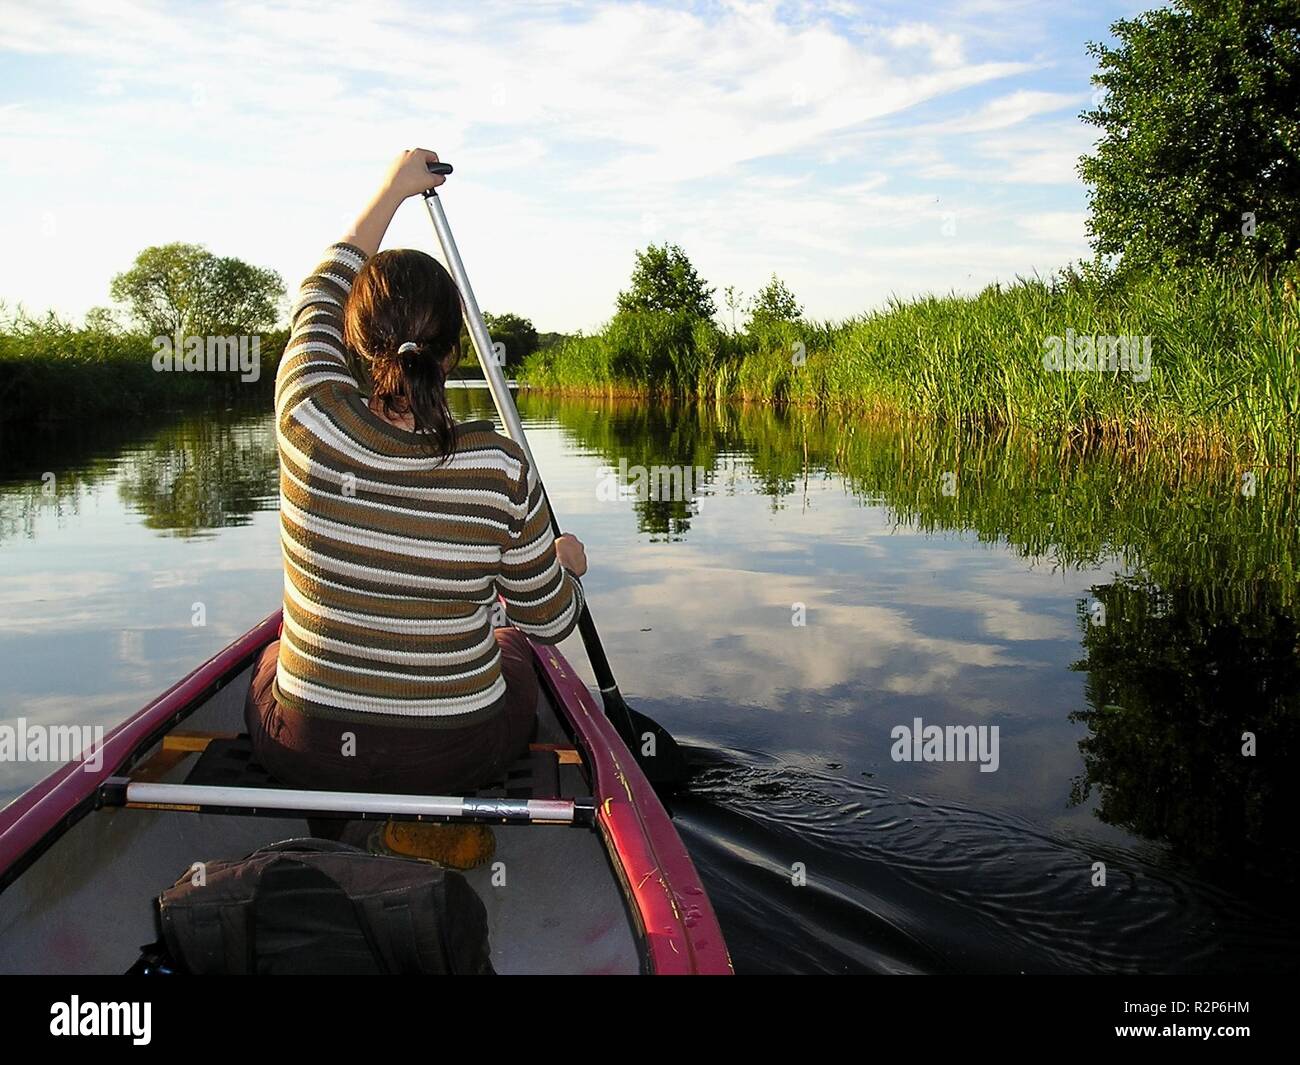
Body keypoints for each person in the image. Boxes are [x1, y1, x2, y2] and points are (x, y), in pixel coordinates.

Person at [245, 148, 587, 802]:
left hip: (306, 752)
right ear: (455, 351)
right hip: (453, 757)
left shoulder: (307, 415)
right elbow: (548, 620)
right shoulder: (499, 464)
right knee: (513, 647)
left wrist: (393, 190)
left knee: (269, 660)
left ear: (354, 338)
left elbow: (318, 292)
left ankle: (345, 823)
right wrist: (566, 566)